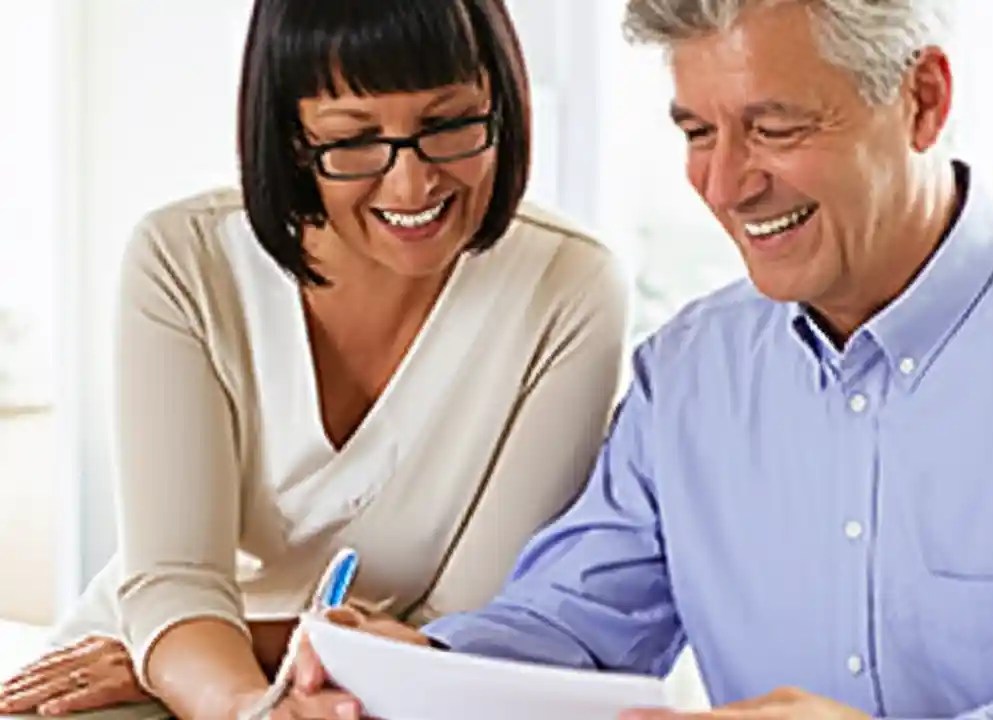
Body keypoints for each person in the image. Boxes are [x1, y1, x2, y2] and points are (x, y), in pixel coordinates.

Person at [286, 0, 993, 719]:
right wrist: (414, 665)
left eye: (774, 128)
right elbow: (570, 625)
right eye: (698, 132)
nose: (724, 182)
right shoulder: (687, 377)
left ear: (921, 100)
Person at [0, 0, 630, 718]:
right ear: (293, 138)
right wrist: (242, 701)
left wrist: (247, 660)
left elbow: (464, 628)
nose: (412, 185)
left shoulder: (569, 289)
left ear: (502, 108)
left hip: (372, 684)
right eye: (354, 139)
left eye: (449, 125)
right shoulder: (185, 260)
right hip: (158, 666)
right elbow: (175, 580)